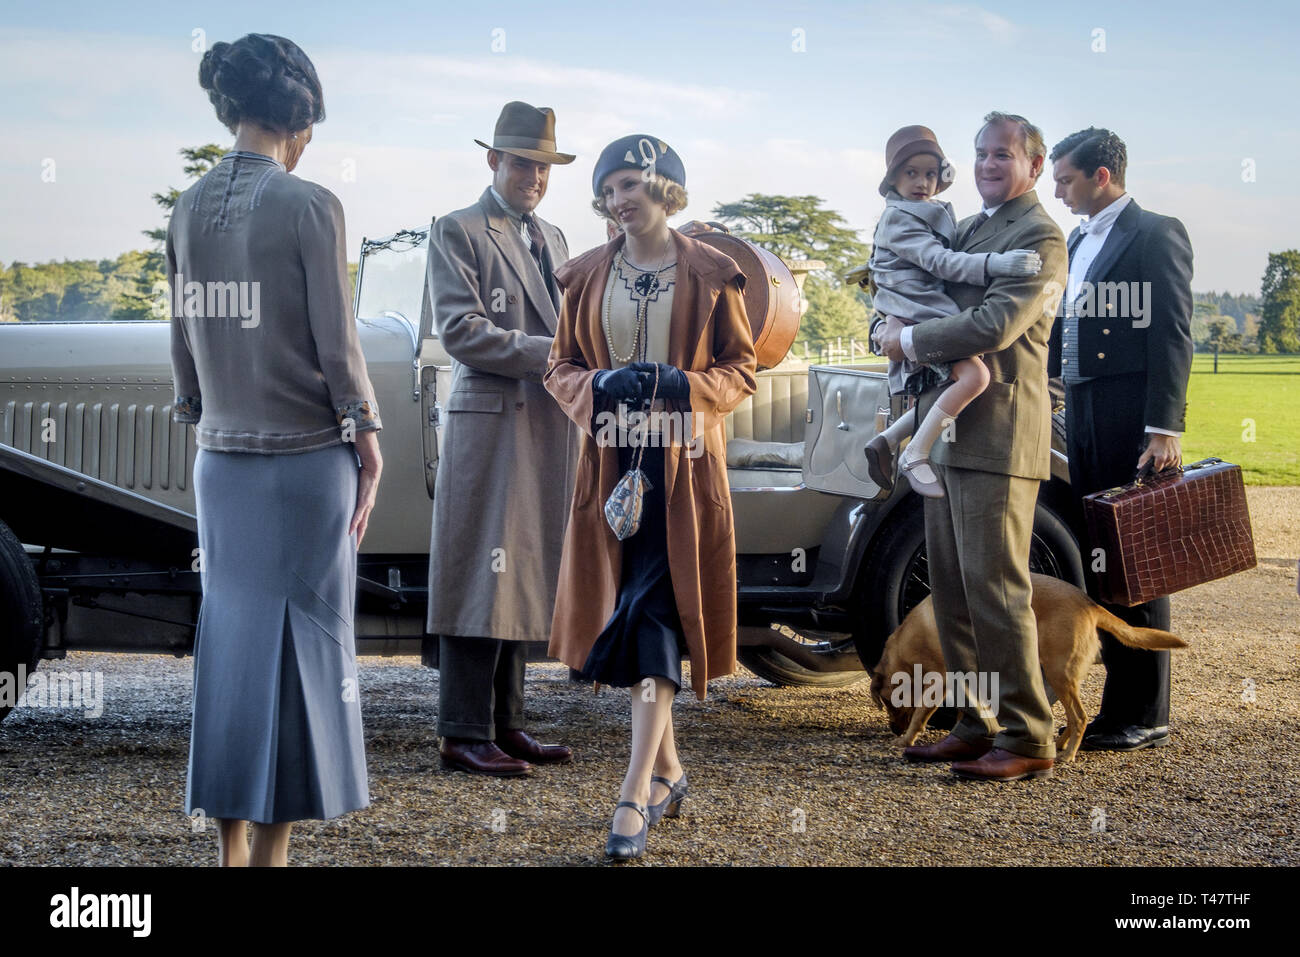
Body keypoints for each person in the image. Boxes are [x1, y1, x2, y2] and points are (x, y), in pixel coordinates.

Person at [170, 34, 383, 865]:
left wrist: (201, 411)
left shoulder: (187, 207)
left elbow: (182, 343)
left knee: (231, 647)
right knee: (305, 650)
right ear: (299, 121)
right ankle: (272, 859)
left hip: (220, 462)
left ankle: (228, 854)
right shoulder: (310, 205)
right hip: (305, 464)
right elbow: (340, 347)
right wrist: (367, 435)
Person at [544, 135, 757, 859]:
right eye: (609, 189)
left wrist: (683, 387)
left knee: (656, 615)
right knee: (627, 613)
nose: (619, 198)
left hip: (684, 469)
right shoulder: (582, 277)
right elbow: (559, 366)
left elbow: (741, 372)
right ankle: (667, 769)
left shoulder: (713, 274)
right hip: (610, 470)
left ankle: (634, 792)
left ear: (666, 188)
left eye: (632, 183)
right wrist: (596, 386)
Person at [878, 112, 1067, 782]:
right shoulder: (971, 229)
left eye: (1004, 155)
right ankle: (976, 721)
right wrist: (885, 319)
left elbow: (994, 323)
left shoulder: (1041, 238)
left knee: (996, 588)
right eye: (982, 153)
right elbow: (914, 282)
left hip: (1000, 432)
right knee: (953, 591)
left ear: (1034, 165)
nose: (989, 164)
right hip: (951, 430)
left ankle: (1028, 733)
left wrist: (907, 342)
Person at [423, 102, 577, 776]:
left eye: (542, 166)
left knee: (521, 570)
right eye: (522, 163)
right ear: (493, 160)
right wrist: (560, 354)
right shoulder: (457, 229)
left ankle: (507, 722)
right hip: (491, 422)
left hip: (544, 424)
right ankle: (462, 731)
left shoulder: (559, 237)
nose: (534, 177)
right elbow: (460, 331)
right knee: (476, 571)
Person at [1048, 127, 1194, 752]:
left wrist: (1163, 429)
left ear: (1101, 175)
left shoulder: (1157, 232)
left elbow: (1172, 334)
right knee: (1097, 561)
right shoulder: (1080, 238)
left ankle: (1145, 711)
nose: (1057, 192)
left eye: (1065, 179)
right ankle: (1114, 705)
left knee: (1134, 562)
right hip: (1079, 409)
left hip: (1130, 416)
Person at [861, 125, 1042, 498]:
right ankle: (913, 451)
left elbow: (996, 326)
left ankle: (894, 440)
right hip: (921, 311)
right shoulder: (912, 219)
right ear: (893, 178)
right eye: (911, 173)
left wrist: (899, 334)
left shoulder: (1035, 233)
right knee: (972, 377)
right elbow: (939, 262)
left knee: (964, 379)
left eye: (931, 173)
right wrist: (997, 263)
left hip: (992, 438)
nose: (922, 183)